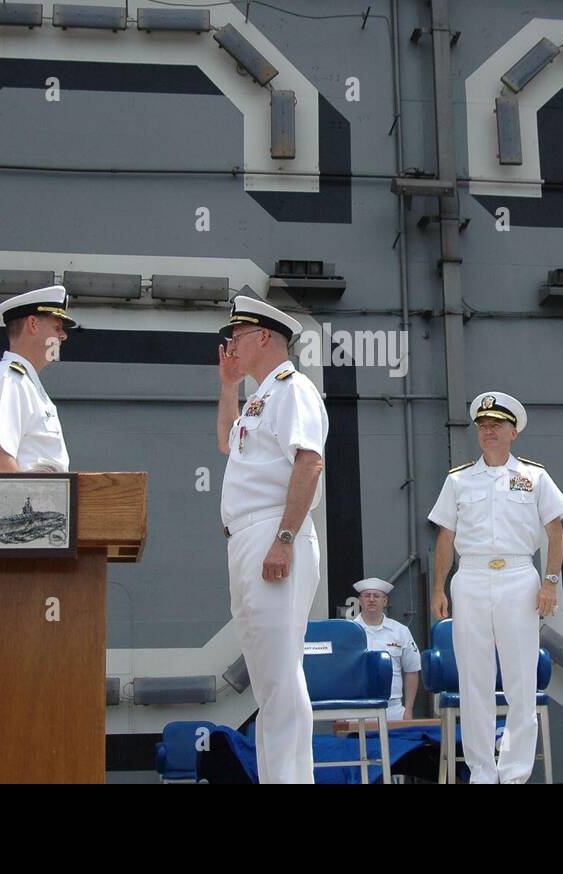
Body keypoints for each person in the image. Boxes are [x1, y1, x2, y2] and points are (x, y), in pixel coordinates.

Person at [428, 391, 563, 784]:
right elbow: (445, 536)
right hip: (471, 577)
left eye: (496, 426)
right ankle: (481, 772)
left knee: (520, 680)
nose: (488, 432)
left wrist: (550, 581)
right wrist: (438, 589)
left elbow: (555, 534)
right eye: (483, 426)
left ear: (513, 433)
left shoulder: (535, 477)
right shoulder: (458, 479)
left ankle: (513, 772)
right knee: (473, 680)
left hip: (518, 576)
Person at [217, 295, 328, 784]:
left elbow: (309, 461)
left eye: (237, 337)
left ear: (264, 337)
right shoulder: (259, 398)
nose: (230, 346)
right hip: (246, 536)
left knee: (281, 674)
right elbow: (227, 443)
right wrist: (228, 387)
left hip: (273, 529)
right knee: (267, 680)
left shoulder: (293, 388)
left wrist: (284, 538)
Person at [0, 284, 77, 472]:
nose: (63, 336)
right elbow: (0, 463)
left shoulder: (23, 383)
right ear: (33, 324)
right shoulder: (9, 381)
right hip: (24, 501)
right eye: (57, 327)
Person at [352, 577, 421, 721]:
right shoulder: (348, 631)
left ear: (385, 601)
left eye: (376, 596)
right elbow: (342, 674)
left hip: (393, 710)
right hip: (356, 708)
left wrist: (408, 710)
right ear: (360, 601)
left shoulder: (401, 631)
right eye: (367, 596)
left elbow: (412, 671)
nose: (371, 599)